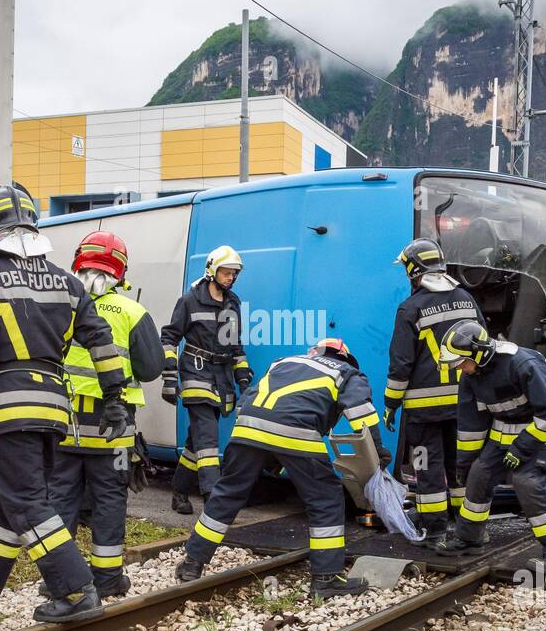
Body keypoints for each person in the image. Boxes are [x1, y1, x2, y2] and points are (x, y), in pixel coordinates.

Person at [0, 183, 129, 626]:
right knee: (12, 504)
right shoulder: (67, 281)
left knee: (27, 502)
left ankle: (77, 590)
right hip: (54, 411)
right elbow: (100, 339)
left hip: (8, 409)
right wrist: (115, 396)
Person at [174, 338, 391, 598]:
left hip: (247, 429)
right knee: (326, 499)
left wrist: (269, 455)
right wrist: (378, 453)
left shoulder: (283, 362)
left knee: (227, 494)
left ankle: (192, 563)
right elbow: (361, 414)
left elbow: (250, 399)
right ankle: (325, 579)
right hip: (296, 431)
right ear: (344, 356)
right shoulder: (346, 372)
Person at [45, 230, 165, 599]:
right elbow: (150, 369)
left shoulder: (56, 306)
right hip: (113, 428)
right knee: (110, 502)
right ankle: (108, 581)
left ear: (77, 264)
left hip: (64, 426)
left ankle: (59, 585)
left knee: (60, 501)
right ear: (121, 272)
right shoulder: (132, 311)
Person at [432, 320, 546, 569]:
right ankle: (470, 539)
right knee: (478, 474)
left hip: (543, 429)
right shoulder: (472, 374)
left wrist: (522, 449)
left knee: (528, 483)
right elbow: (471, 425)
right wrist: (464, 465)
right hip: (505, 432)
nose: (461, 370)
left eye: (462, 363)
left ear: (479, 353)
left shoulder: (522, 364)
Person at [384, 238, 484, 537]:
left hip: (423, 411)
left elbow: (401, 362)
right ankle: (468, 528)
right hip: (465, 404)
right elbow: (483, 343)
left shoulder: (410, 308)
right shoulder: (467, 299)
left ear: (414, 270)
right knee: (461, 465)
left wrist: (391, 403)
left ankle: (435, 531)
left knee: (425, 465)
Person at [161, 246, 252, 514]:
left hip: (221, 378)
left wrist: (244, 381)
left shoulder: (232, 303)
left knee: (196, 441)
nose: (231, 278)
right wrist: (169, 376)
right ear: (212, 270)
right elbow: (169, 338)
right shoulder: (189, 300)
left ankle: (179, 491)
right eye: (227, 272)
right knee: (208, 435)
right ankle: (213, 496)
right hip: (195, 372)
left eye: (235, 274)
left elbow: (235, 346)